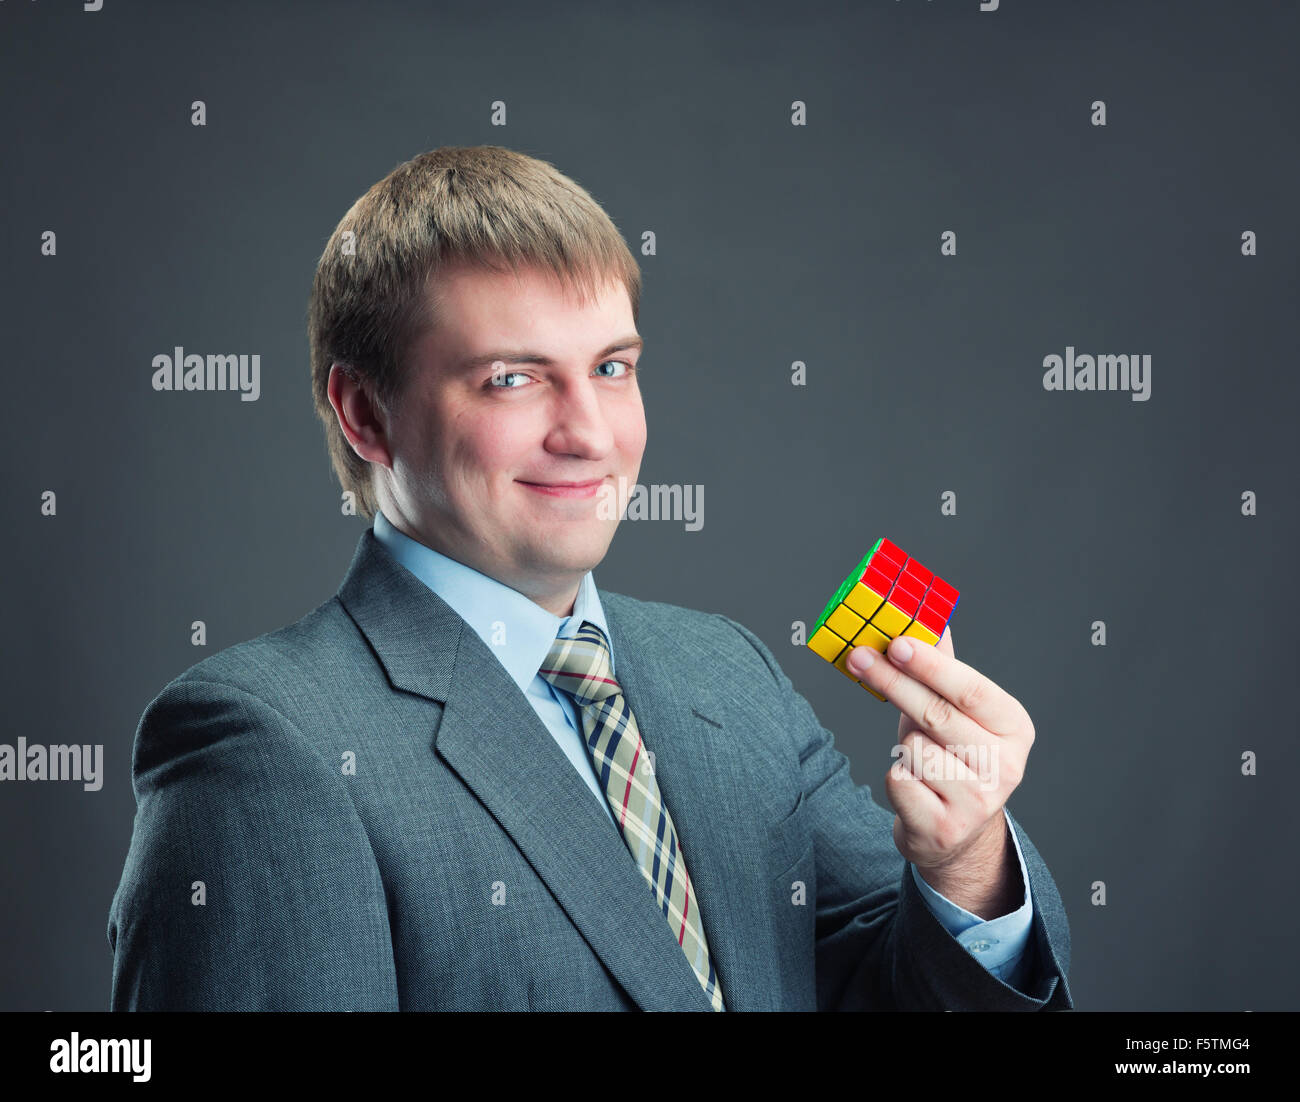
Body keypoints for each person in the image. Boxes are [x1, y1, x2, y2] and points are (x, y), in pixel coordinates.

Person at [107, 145, 1072, 1011]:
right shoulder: (264, 746)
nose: (590, 436)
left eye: (612, 367)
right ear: (365, 414)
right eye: (512, 380)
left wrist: (966, 865)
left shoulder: (727, 675)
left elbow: (885, 992)